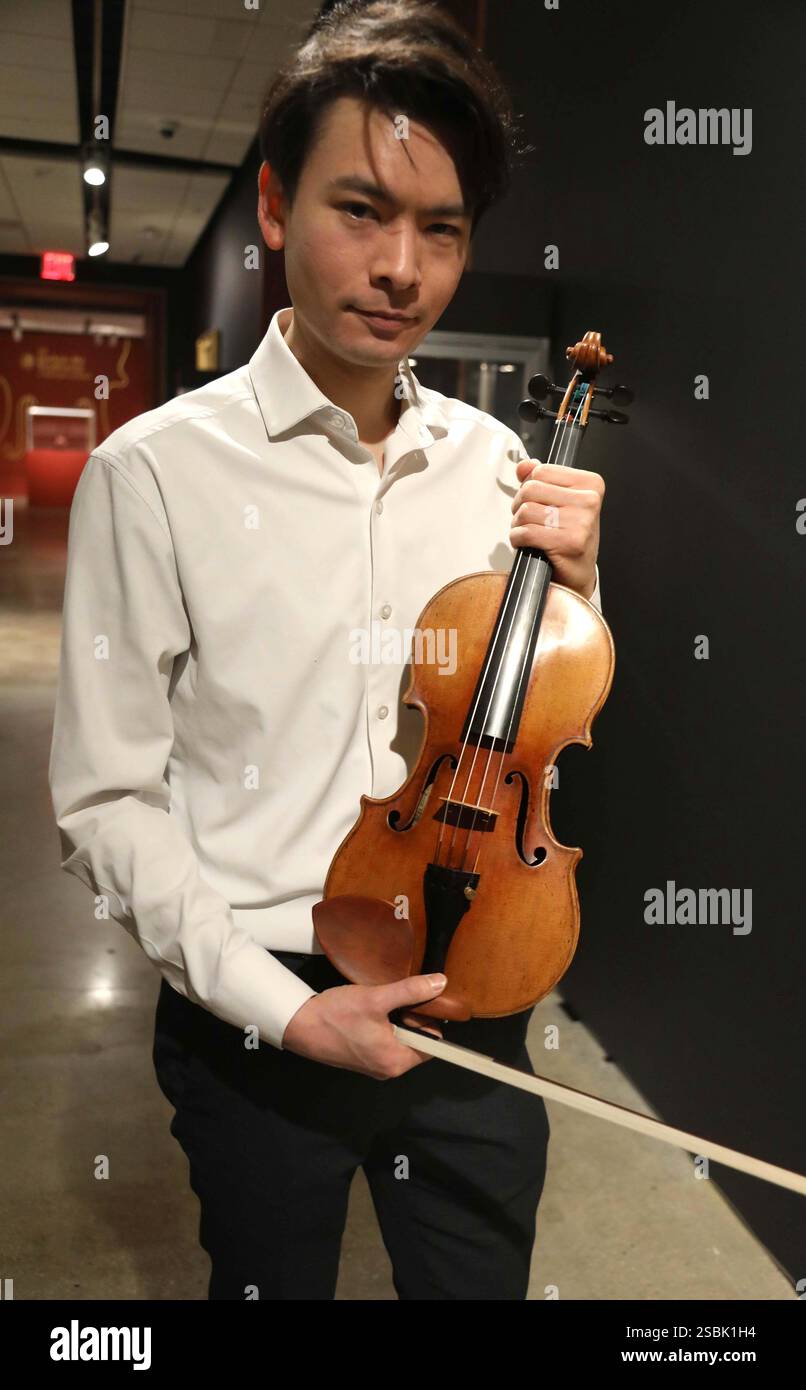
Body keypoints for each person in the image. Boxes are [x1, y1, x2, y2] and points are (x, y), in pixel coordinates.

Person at [48, 0, 604, 1300]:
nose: (401, 266)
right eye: (361, 210)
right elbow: (107, 795)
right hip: (258, 1009)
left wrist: (577, 590)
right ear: (275, 207)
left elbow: (535, 732)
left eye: (442, 229)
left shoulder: (498, 470)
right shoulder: (154, 473)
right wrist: (279, 1004)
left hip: (468, 980)